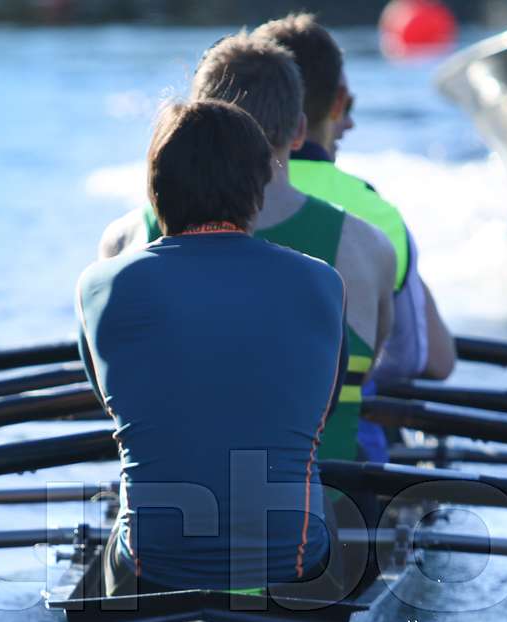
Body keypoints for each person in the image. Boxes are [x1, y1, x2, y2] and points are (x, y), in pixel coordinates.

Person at [76, 100, 347, 595]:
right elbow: (320, 413)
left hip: (153, 565)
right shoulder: (322, 282)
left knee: (129, 482)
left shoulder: (99, 286)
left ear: (156, 187)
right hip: (292, 560)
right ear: (258, 187)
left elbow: (115, 407)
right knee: (316, 484)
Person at [98, 34, 394, 468]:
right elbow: (365, 375)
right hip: (330, 500)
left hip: (172, 504)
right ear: (298, 130)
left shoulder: (124, 241)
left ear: (193, 126)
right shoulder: (368, 247)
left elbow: (110, 396)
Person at [253, 12, 457, 462]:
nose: (351, 126)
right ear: (336, 103)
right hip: (339, 451)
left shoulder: (190, 199)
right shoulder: (374, 215)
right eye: (350, 109)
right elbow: (427, 360)